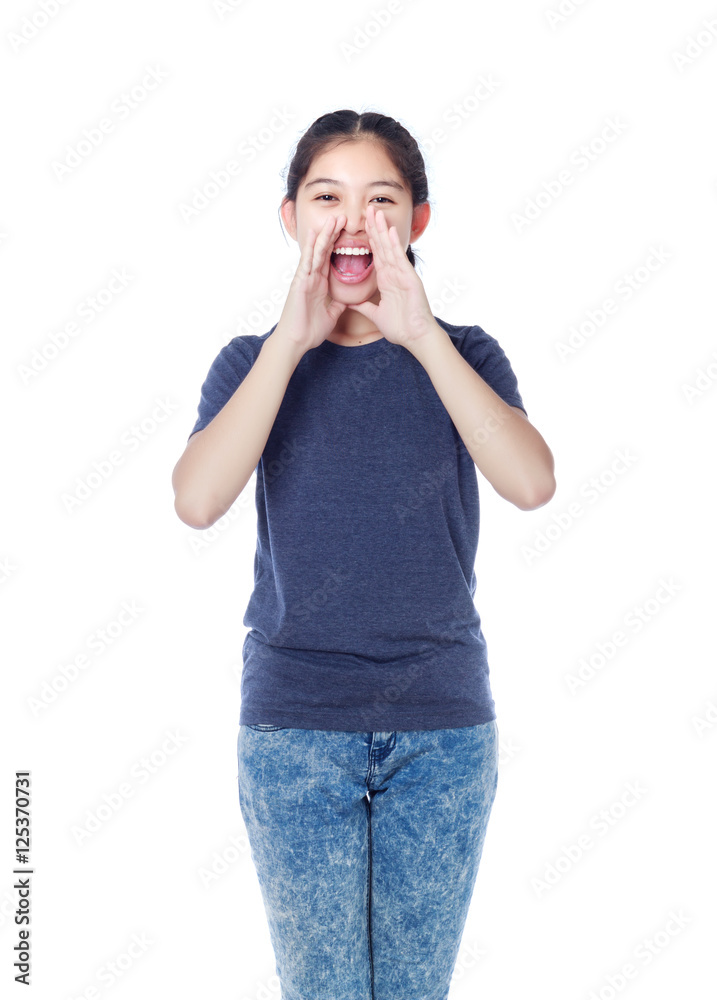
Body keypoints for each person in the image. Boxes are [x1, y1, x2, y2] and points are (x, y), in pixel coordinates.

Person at [172, 108, 556, 999]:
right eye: (325, 197)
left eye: (378, 199)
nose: (350, 222)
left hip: (443, 730)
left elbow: (531, 482)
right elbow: (196, 501)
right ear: (290, 218)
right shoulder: (249, 362)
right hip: (294, 729)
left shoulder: (465, 354)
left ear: (416, 222)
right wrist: (291, 341)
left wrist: (420, 336)